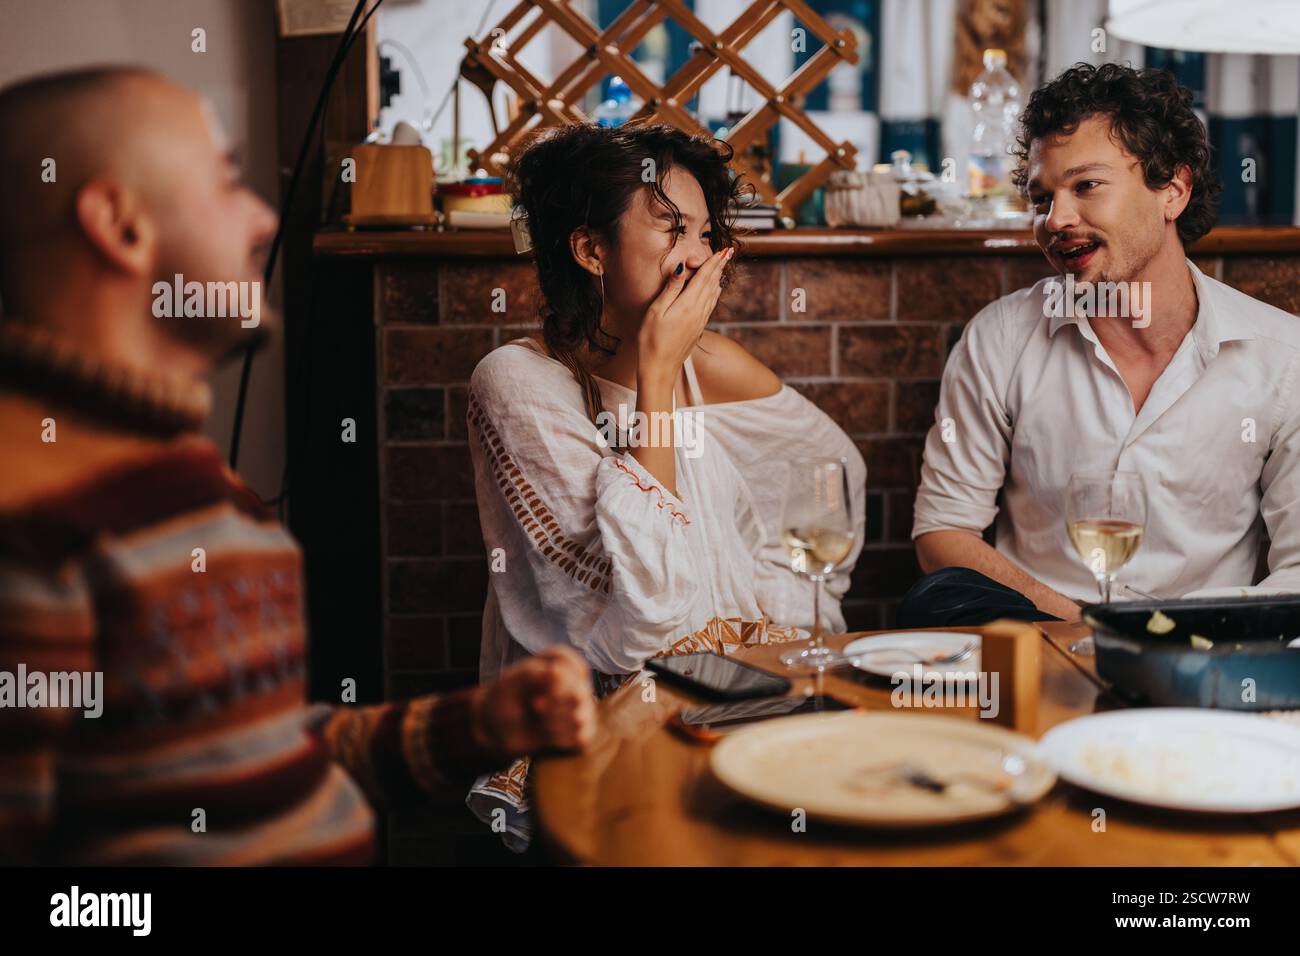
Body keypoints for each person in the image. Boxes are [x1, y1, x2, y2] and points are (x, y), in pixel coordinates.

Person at [0, 66, 594, 865]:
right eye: (226, 181)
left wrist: (481, 726)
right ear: (122, 225)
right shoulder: (29, 524)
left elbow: (263, 754)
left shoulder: (203, 490)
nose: (258, 218)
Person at [464, 122, 867, 846]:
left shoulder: (706, 362)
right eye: (673, 230)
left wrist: (781, 601)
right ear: (591, 250)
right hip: (598, 718)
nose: (698, 257)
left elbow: (828, 474)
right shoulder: (516, 383)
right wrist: (656, 378)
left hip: (732, 684)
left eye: (705, 233)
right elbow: (636, 626)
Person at [903, 63, 1300, 629]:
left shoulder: (1282, 357)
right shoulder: (1000, 337)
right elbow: (943, 532)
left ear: (1173, 190)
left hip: (1203, 660)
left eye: (1086, 186)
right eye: (1042, 198)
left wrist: (1187, 643)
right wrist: (1088, 627)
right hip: (1040, 645)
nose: (1056, 220)